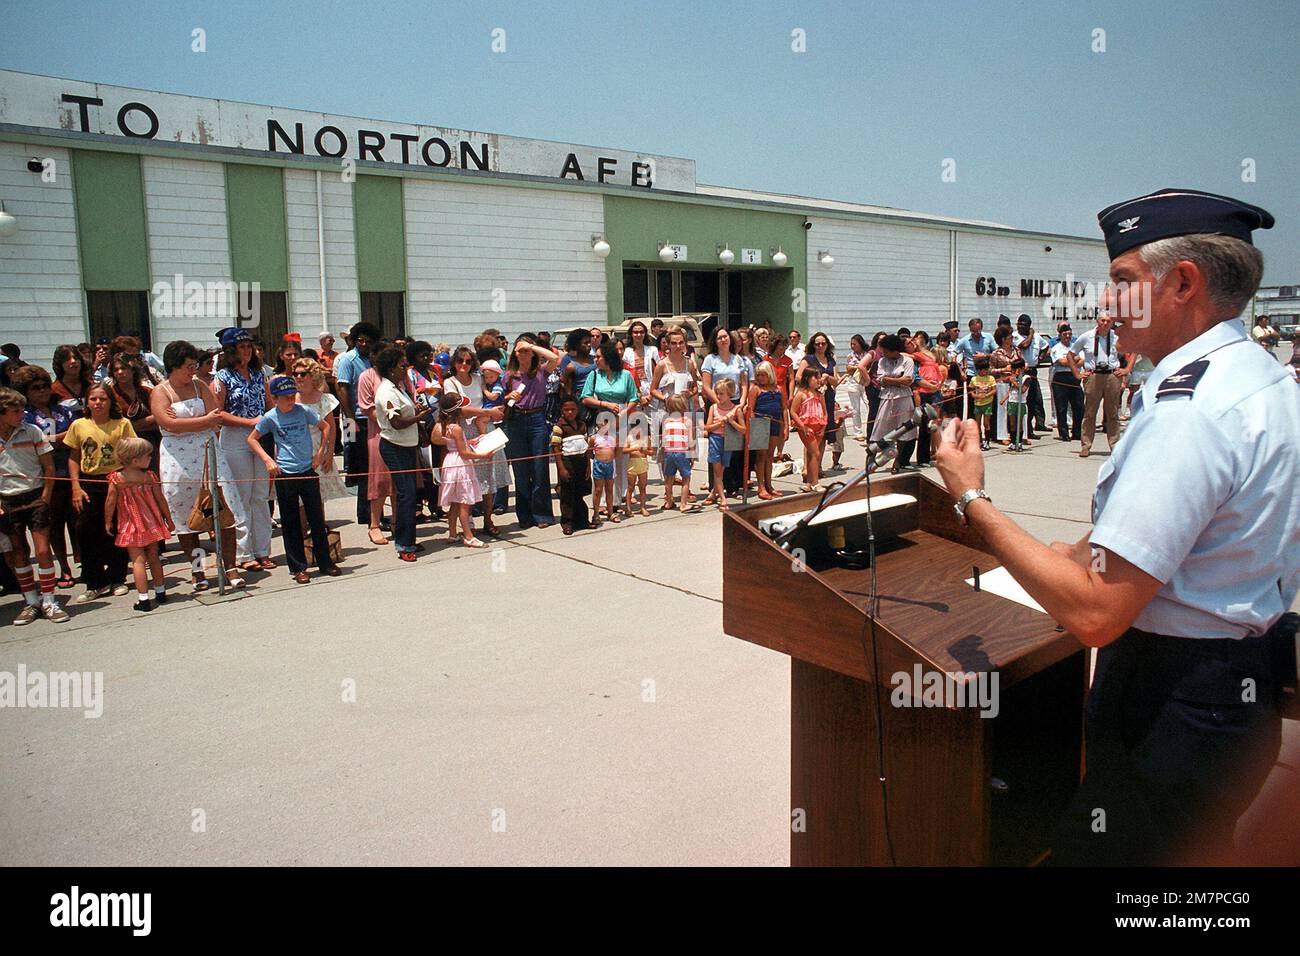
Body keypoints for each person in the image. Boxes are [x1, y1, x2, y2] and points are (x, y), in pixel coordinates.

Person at [932, 187, 1296, 866]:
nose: (1104, 304)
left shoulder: (1191, 411)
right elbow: (1190, 546)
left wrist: (969, 497)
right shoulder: (1258, 377)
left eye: (1121, 282)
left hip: (1171, 702)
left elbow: (1098, 616)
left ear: (1183, 282)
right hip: (1232, 689)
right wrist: (1076, 552)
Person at [151, 340, 241, 591]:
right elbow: (168, 425)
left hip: (208, 452)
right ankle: (198, 569)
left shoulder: (200, 385)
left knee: (224, 506)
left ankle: (230, 567)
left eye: (195, 365)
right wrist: (200, 421)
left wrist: (193, 422)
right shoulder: (161, 392)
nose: (193, 370)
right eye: (189, 365)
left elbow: (215, 417)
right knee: (185, 514)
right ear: (174, 366)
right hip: (177, 460)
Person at [250, 375, 341, 581]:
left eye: (292, 396)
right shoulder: (271, 417)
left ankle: (325, 562)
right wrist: (267, 460)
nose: (291, 400)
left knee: (317, 519)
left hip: (307, 470)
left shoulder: (304, 411)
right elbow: (252, 439)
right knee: (290, 523)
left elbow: (325, 426)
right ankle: (297, 567)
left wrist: (320, 452)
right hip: (286, 474)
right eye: (286, 397)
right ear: (275, 399)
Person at [0, 386, 67, 624]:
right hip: (7, 500)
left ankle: (49, 600)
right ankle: (31, 601)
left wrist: (46, 496)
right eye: (16, 411)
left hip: (36, 496)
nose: (21, 414)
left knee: (41, 550)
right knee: (18, 552)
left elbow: (48, 467)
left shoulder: (32, 432)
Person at [65, 383, 135, 603]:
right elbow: (74, 457)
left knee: (115, 528)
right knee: (86, 531)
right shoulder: (79, 425)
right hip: (88, 482)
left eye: (102, 399)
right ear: (87, 401)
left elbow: (132, 451)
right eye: (93, 399)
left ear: (110, 401)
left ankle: (118, 578)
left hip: (115, 480)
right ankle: (94, 582)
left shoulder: (122, 424)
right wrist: (76, 486)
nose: (98, 403)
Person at [212, 327, 273, 571]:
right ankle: (244, 552)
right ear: (230, 351)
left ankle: (262, 549)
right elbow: (218, 413)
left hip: (259, 436)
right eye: (242, 347)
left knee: (260, 494)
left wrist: (266, 421)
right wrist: (248, 422)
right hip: (235, 437)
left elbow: (269, 403)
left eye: (249, 347)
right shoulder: (222, 378)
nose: (247, 351)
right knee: (241, 496)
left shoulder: (260, 374)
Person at [12, 366, 78, 589]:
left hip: (71, 470)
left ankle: (84, 563)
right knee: (55, 525)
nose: (42, 391)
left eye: (45, 386)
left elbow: (76, 435)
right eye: (36, 388)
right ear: (25, 391)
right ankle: (64, 569)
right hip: (45, 476)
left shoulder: (63, 410)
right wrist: (62, 436)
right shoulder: (25, 417)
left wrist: (57, 438)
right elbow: (41, 441)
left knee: (78, 522)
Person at [103, 437, 173, 611]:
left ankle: (143, 599)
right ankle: (160, 591)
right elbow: (160, 499)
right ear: (135, 460)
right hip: (151, 523)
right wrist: (168, 519)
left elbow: (110, 502)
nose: (150, 458)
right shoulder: (149, 476)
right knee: (154, 557)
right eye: (147, 456)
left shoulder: (117, 479)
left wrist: (107, 520)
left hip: (131, 525)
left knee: (138, 562)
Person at [504, 334, 562, 530]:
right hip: (516, 419)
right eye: (519, 350)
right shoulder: (509, 375)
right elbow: (499, 400)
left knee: (539, 468)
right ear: (514, 353)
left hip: (537, 418)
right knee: (521, 470)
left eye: (526, 350)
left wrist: (532, 346)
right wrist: (507, 397)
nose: (523, 353)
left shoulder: (541, 372)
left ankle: (542, 513)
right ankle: (525, 516)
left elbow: (555, 358)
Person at [371, 347, 424, 561]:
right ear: (392, 369)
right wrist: (419, 416)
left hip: (407, 446)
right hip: (395, 447)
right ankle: (403, 545)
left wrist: (415, 410)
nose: (406, 368)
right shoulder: (387, 392)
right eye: (403, 365)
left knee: (409, 494)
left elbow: (404, 412)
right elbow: (397, 422)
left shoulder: (398, 388)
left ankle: (407, 539)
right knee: (407, 494)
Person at [580, 341, 639, 517]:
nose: (595, 359)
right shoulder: (594, 375)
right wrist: (604, 403)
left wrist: (624, 412)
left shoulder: (626, 375)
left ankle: (617, 500)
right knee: (603, 459)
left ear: (608, 358)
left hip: (622, 418)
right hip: (602, 418)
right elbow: (585, 397)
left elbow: (634, 397)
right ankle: (602, 502)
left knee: (620, 461)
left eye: (599, 357)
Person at [333, 321, 382, 527]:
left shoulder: (373, 360)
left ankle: (372, 511)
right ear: (354, 340)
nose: (364, 344)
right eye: (360, 340)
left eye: (368, 341)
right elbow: (342, 389)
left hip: (372, 419)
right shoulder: (347, 359)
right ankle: (364, 513)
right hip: (354, 420)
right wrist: (350, 417)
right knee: (359, 464)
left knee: (373, 466)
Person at [435, 392, 491, 549]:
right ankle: (468, 536)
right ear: (457, 410)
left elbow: (456, 445)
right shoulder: (457, 428)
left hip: (450, 463)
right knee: (464, 503)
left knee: (455, 501)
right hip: (460, 464)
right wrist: (483, 454)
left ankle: (452, 533)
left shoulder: (445, 426)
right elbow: (464, 453)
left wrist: (471, 441)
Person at [700, 328, 749, 496]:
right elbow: (706, 386)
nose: (723, 340)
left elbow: (743, 383)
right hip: (717, 403)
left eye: (725, 336)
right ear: (715, 340)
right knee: (716, 446)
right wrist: (720, 401)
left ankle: (732, 486)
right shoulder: (710, 359)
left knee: (734, 447)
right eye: (719, 337)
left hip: (735, 405)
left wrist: (741, 402)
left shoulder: (738, 359)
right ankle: (714, 488)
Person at [292, 358, 347, 503]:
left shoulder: (324, 399)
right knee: (299, 498)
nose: (298, 377)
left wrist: (329, 454)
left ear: (313, 376)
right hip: (296, 450)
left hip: (318, 448)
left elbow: (332, 428)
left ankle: (319, 524)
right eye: (295, 374)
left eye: (302, 374)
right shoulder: (290, 398)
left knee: (318, 494)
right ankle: (303, 525)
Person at [1071, 313, 1126, 457]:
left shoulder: (1117, 336)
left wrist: (1126, 369)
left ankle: (1115, 445)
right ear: (1097, 321)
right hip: (1093, 375)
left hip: (1112, 375)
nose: (1105, 323)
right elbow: (1070, 355)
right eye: (1103, 320)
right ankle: (1086, 445)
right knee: (1090, 413)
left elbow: (1132, 352)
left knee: (1113, 413)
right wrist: (1077, 373)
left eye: (1108, 321)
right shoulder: (1086, 336)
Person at [870, 334, 918, 473]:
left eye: (886, 351)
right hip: (887, 397)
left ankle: (897, 461)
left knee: (903, 429)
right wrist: (898, 380)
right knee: (879, 428)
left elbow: (908, 380)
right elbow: (880, 380)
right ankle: (872, 459)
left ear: (895, 350)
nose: (884, 354)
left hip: (903, 397)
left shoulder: (907, 361)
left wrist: (889, 379)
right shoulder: (882, 362)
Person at [108, 355, 160, 471]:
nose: (120, 372)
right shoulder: (110, 394)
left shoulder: (146, 392)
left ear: (133, 369)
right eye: (116, 370)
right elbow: (119, 426)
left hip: (150, 444)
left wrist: (154, 419)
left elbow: (161, 420)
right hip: (123, 446)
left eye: (124, 368)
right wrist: (153, 418)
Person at [797, 332, 840, 471]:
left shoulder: (830, 359)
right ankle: (806, 467)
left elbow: (837, 381)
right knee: (810, 434)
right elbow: (798, 377)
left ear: (827, 345)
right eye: (817, 343)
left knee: (823, 433)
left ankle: (818, 466)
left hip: (826, 397)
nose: (820, 346)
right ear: (813, 345)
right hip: (811, 398)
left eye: (823, 343)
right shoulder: (808, 359)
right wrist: (814, 382)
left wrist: (827, 377)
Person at [747, 361, 786, 500]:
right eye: (759, 375)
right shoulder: (756, 389)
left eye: (763, 375)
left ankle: (769, 485)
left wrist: (785, 426)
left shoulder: (779, 389)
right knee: (761, 456)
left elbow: (784, 409)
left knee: (770, 455)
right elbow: (750, 410)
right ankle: (761, 486)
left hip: (775, 424)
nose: (761, 378)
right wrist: (754, 428)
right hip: (760, 424)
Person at [551, 397, 591, 535]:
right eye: (566, 410)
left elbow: (586, 447)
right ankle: (567, 523)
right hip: (567, 463)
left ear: (577, 410)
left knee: (579, 493)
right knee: (567, 494)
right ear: (561, 411)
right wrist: (561, 468)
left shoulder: (582, 425)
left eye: (573, 409)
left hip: (581, 462)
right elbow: (555, 448)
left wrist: (588, 466)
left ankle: (583, 521)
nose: (570, 412)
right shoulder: (559, 427)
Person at [704, 378, 744, 511]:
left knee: (722, 469)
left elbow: (743, 430)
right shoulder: (713, 408)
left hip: (729, 440)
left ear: (730, 394)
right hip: (715, 439)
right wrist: (718, 424)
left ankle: (714, 492)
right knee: (717, 471)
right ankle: (723, 499)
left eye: (722, 394)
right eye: (717, 393)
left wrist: (732, 422)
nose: (719, 396)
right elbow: (707, 427)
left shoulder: (736, 409)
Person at [790, 367, 828, 492]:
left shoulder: (820, 395)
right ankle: (815, 482)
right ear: (807, 378)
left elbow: (825, 412)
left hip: (818, 427)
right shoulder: (800, 394)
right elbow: (793, 412)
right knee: (816, 453)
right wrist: (803, 426)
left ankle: (809, 482)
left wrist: (823, 427)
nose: (818, 380)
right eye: (815, 377)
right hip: (806, 428)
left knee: (812, 454)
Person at [658, 394, 698, 513]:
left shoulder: (666, 420)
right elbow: (690, 440)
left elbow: (664, 439)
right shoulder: (687, 420)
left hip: (669, 452)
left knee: (669, 478)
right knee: (686, 478)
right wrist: (692, 456)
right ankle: (683, 504)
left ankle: (669, 501)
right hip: (682, 452)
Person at [1014, 314, 1049, 434]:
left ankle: (1039, 423)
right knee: (1026, 401)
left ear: (1028, 325)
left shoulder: (1037, 337)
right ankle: (1027, 430)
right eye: (1018, 324)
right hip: (1021, 372)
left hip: (1033, 371)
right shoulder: (1015, 336)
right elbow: (1024, 345)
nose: (1019, 326)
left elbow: (1045, 346)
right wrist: (1031, 334)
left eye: (1023, 324)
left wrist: (1040, 358)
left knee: (1036, 399)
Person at [1048, 327, 1083, 443]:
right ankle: (1063, 433)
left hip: (1073, 377)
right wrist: (1074, 360)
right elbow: (1061, 362)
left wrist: (1070, 361)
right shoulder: (1056, 348)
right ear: (1060, 335)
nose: (1067, 336)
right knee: (1061, 407)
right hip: (1060, 377)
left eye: (1069, 334)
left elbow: (1082, 360)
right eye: (1065, 334)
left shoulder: (1075, 346)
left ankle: (1077, 432)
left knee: (1079, 406)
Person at [590, 414, 617, 525]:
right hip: (599, 464)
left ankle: (610, 512)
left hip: (610, 464)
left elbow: (617, 451)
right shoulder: (594, 437)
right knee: (598, 490)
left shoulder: (613, 437)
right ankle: (596, 513)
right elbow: (589, 451)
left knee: (610, 490)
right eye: (600, 422)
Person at [622, 415, 651, 517]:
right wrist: (633, 449)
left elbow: (651, 452)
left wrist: (645, 450)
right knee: (630, 487)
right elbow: (624, 450)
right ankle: (628, 508)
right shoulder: (629, 438)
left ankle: (643, 507)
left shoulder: (647, 438)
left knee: (643, 487)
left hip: (643, 464)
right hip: (632, 464)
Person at [51, 344, 92, 410]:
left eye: (76, 358)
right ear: (60, 364)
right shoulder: (54, 390)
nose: (73, 361)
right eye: (67, 359)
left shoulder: (91, 386)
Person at [968, 358, 997, 450]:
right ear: (978, 370)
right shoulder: (974, 379)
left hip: (987, 403)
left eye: (986, 369)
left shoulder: (991, 378)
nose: (985, 372)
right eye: (982, 370)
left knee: (986, 423)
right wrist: (975, 396)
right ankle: (979, 441)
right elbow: (971, 391)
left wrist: (987, 395)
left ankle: (987, 441)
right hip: (978, 403)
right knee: (977, 423)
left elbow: (994, 390)